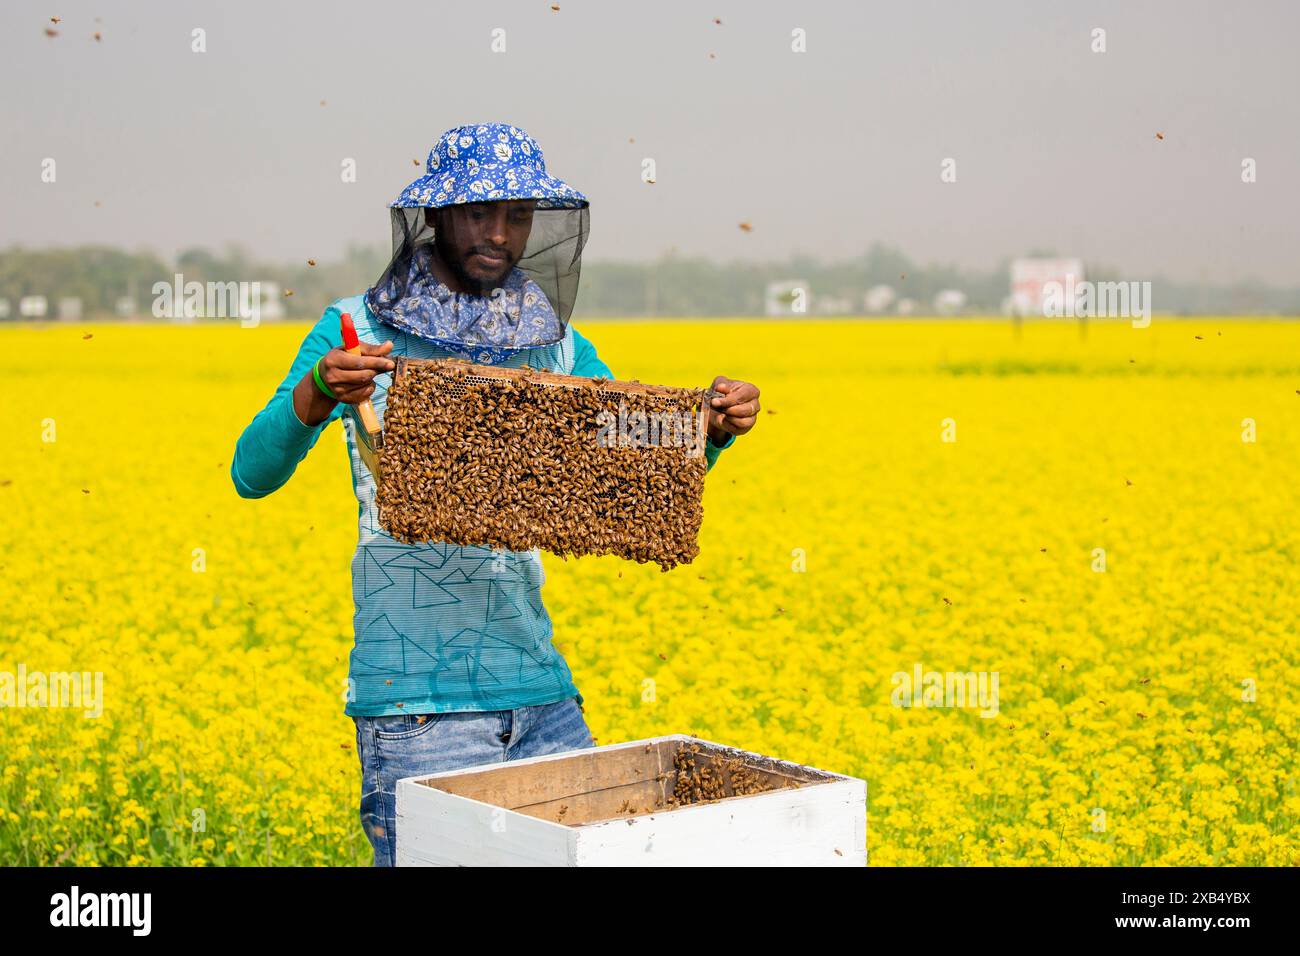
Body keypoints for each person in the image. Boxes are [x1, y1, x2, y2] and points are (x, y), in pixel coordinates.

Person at [230, 123, 761, 866]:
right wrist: (318, 392)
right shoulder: (356, 326)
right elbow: (251, 474)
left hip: (542, 694)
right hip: (415, 708)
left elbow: (628, 477)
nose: (500, 234)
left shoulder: (555, 345)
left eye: (517, 215)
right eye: (480, 213)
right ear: (440, 216)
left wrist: (709, 430)